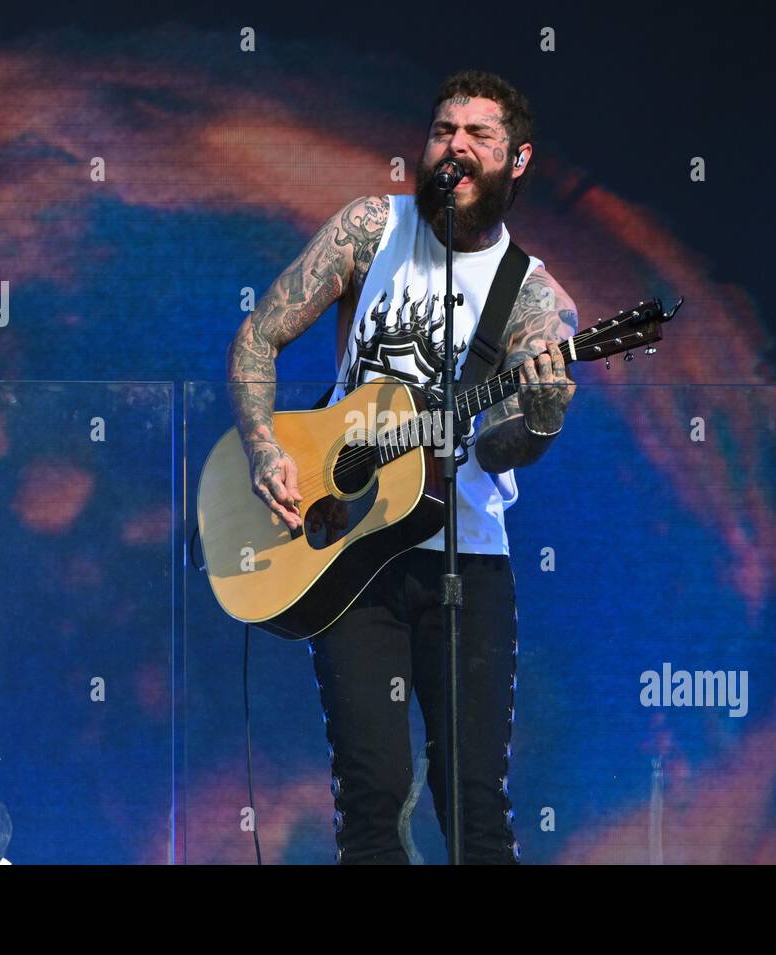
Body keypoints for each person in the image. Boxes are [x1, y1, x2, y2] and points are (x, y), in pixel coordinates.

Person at [226, 69, 578, 863]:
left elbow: (496, 447)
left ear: (516, 161)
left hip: (466, 562)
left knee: (473, 801)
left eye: (478, 136)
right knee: (371, 792)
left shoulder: (531, 298)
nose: (453, 147)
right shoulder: (370, 229)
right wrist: (265, 446)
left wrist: (543, 420)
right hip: (350, 553)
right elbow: (257, 338)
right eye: (442, 131)